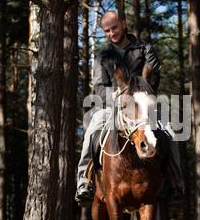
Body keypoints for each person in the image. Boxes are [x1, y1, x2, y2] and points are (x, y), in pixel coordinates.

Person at [76, 11, 184, 203]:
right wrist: (117, 98)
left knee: (170, 130)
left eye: (114, 28)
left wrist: (141, 93)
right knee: (92, 129)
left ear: (123, 24)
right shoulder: (103, 56)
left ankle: (175, 183)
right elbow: (99, 87)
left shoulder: (145, 49)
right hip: (114, 105)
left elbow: (154, 76)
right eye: (107, 31)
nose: (111, 33)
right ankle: (84, 181)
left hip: (144, 102)